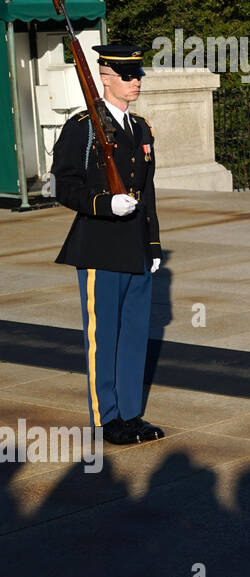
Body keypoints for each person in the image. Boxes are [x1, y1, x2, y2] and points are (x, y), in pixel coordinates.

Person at [51, 44, 165, 446]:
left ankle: (131, 413)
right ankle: (107, 417)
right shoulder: (83, 126)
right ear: (105, 77)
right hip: (100, 245)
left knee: (135, 334)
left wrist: (153, 245)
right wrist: (103, 203)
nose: (136, 82)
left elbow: (147, 192)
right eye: (128, 76)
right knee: (105, 337)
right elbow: (63, 185)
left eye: (138, 76)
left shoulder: (141, 127)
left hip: (135, 245)